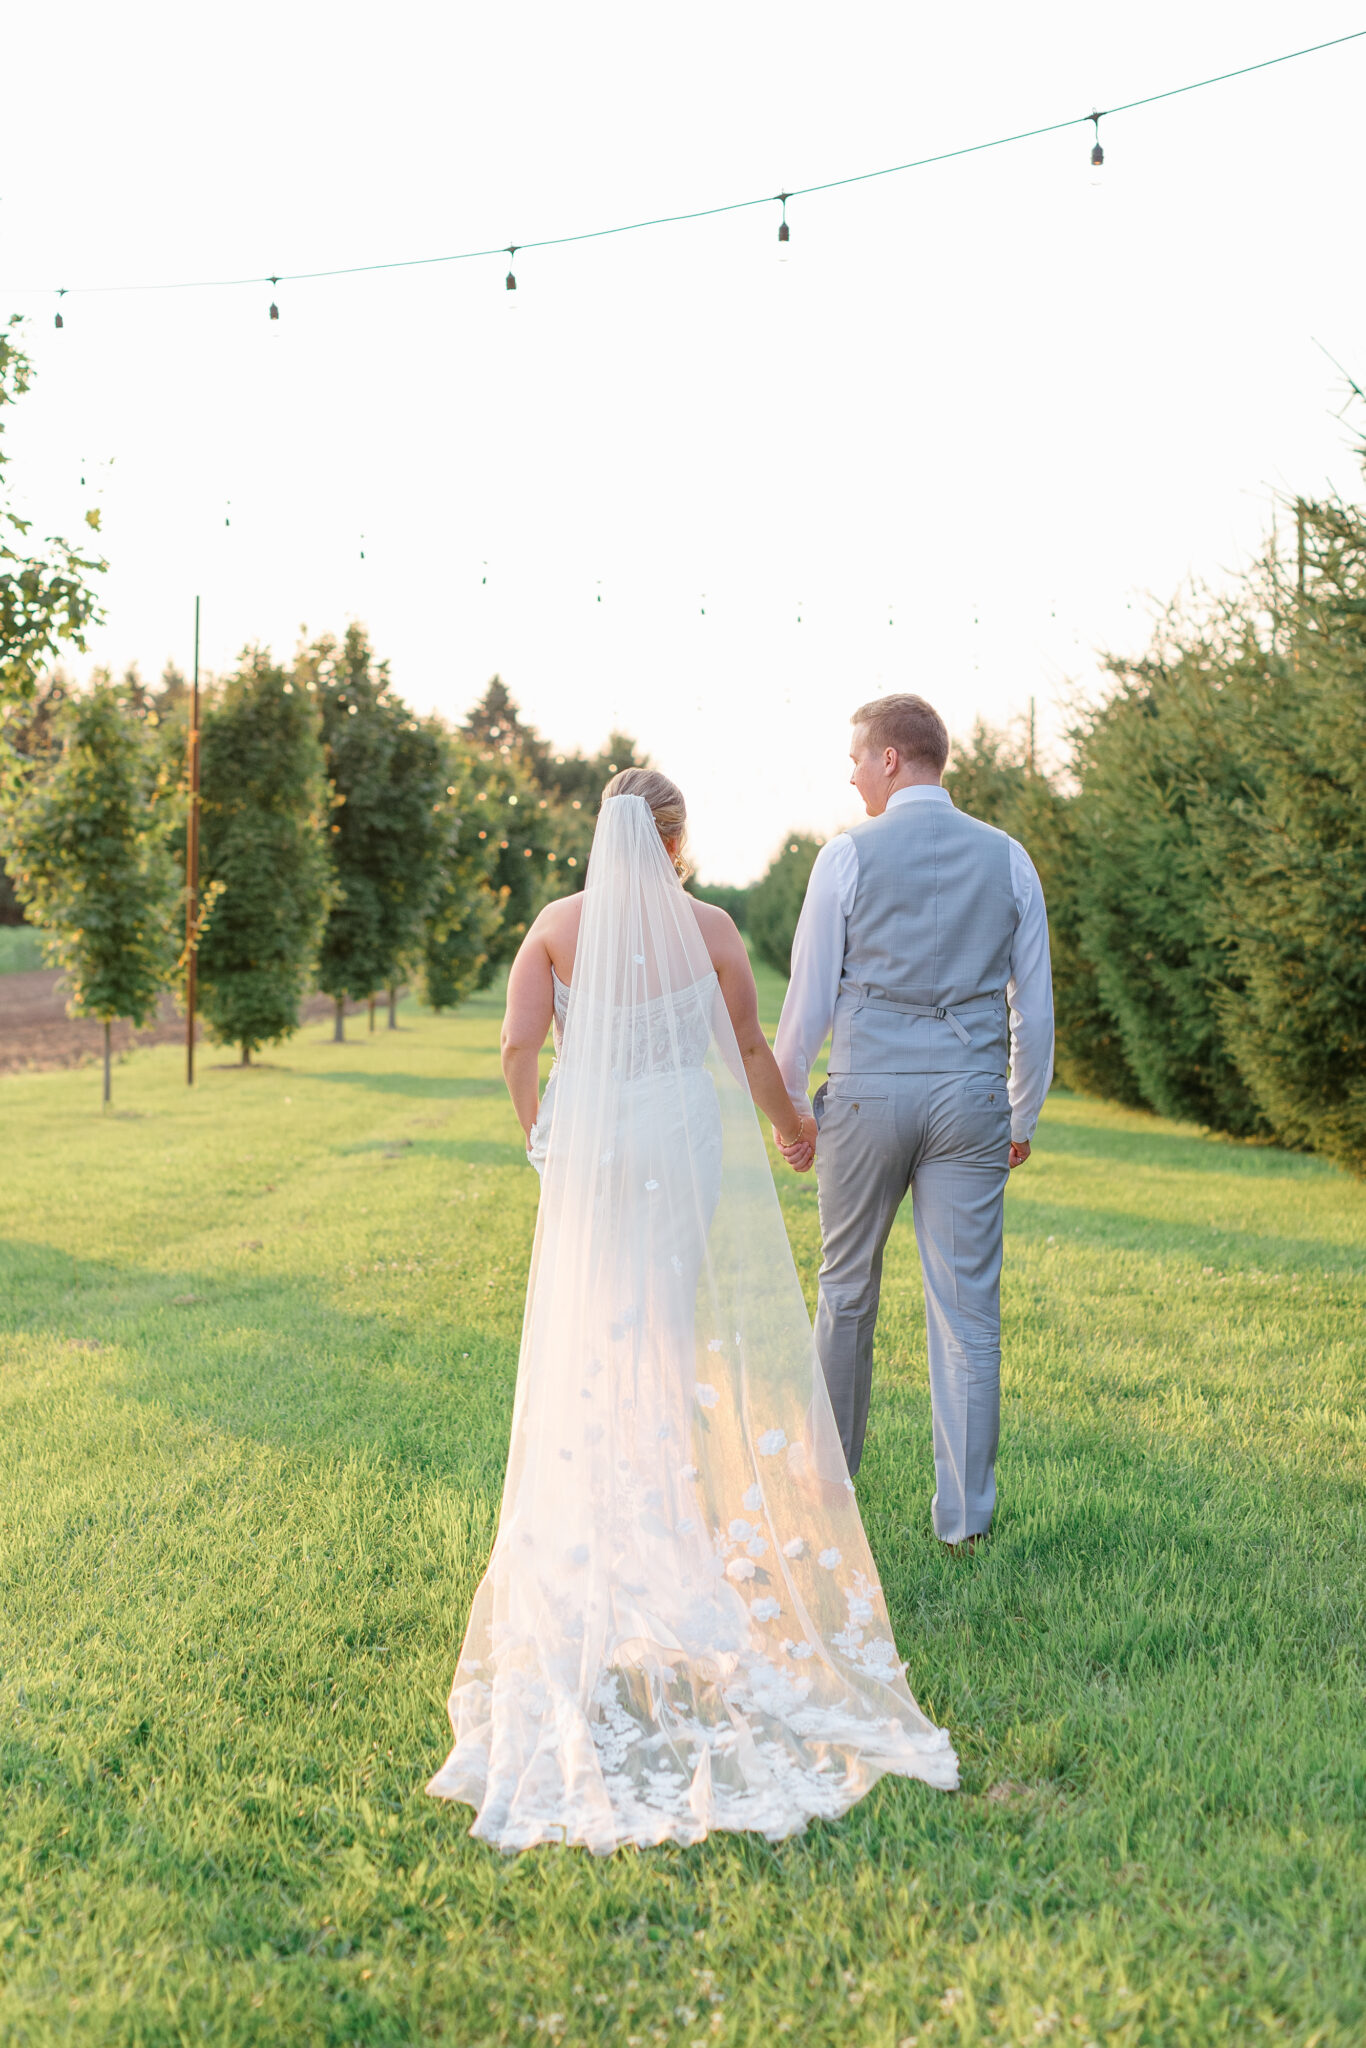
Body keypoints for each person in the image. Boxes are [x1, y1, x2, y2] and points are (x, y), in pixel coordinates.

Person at [426, 768, 959, 1853]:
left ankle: (601, 1543)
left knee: (593, 1327)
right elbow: (751, 1048)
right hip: (677, 1132)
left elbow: (516, 1046)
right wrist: (791, 1125)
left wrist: (540, 1131)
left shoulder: (556, 926)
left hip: (593, 1139)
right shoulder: (710, 928)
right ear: (673, 840)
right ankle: (671, 1544)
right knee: (666, 1328)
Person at [773, 695, 1054, 1552]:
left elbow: (809, 999)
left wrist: (792, 1108)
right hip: (971, 1100)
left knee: (846, 1293)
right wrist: (1021, 1111)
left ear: (891, 759)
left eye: (858, 759)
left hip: (867, 1096)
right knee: (969, 1315)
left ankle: (829, 1500)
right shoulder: (1009, 858)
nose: (853, 775)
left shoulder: (846, 856)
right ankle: (965, 1522)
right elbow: (1035, 1008)